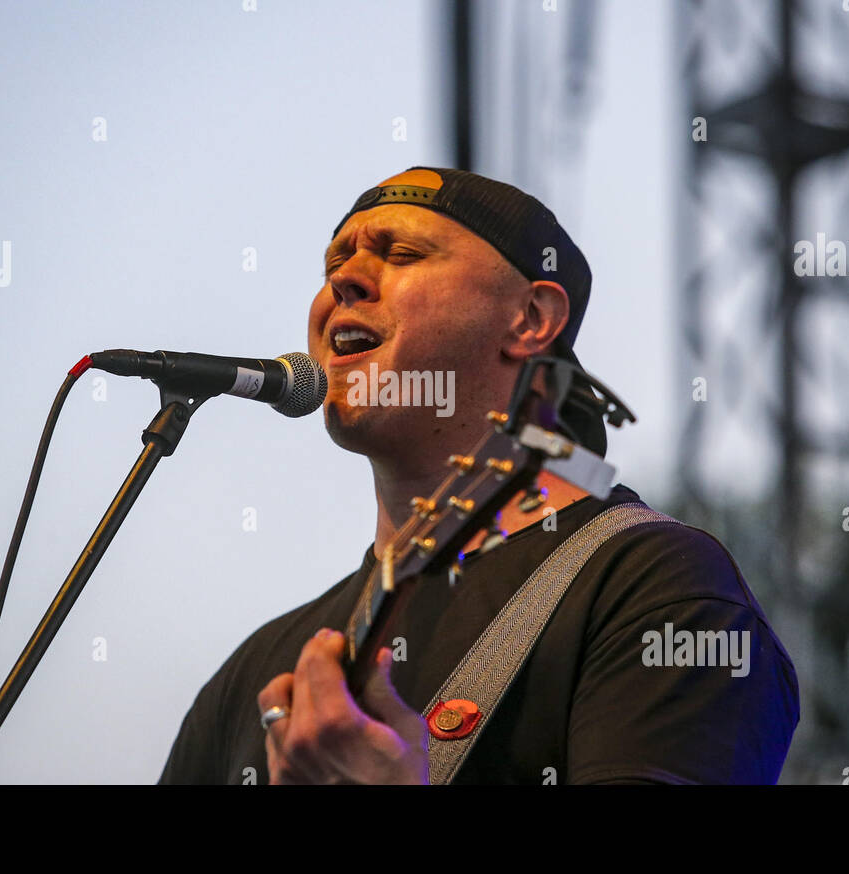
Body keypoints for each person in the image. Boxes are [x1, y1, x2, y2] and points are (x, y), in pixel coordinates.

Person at [158, 167, 799, 784]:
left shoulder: (656, 590)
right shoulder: (253, 675)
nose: (344, 282)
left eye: (402, 253)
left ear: (530, 319)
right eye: (333, 266)